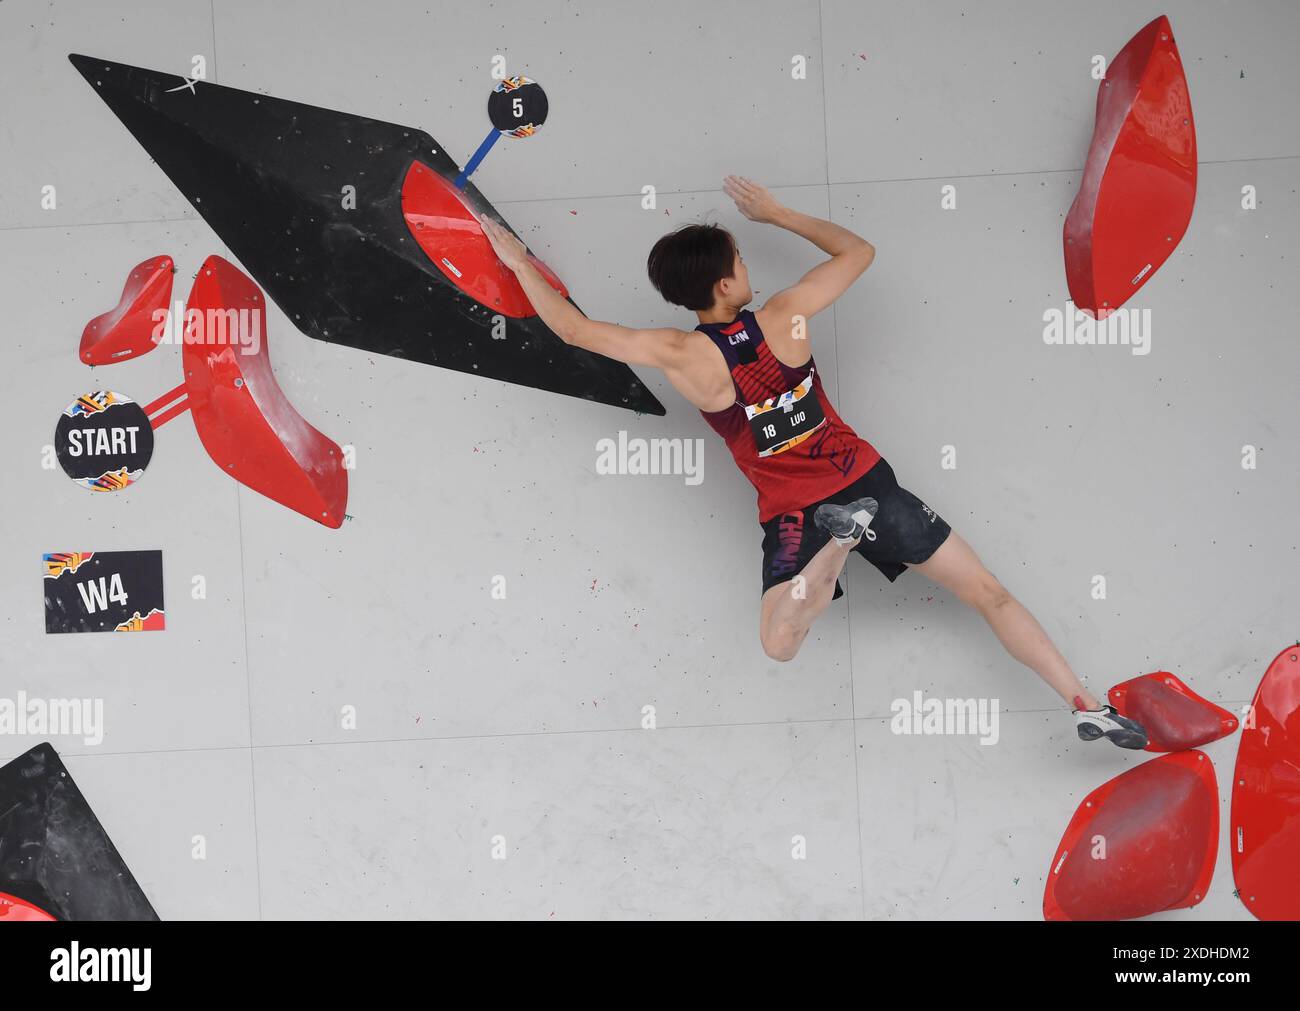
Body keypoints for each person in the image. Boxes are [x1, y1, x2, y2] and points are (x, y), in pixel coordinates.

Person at [480, 177, 1147, 749]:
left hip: (796, 513)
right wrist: (777, 214)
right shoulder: (786, 315)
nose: (749, 266)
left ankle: (836, 547)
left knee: (780, 641)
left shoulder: (682, 355)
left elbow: (571, 328)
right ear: (724, 280)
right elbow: (859, 251)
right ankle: (1085, 704)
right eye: (741, 259)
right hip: (867, 480)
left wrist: (515, 260)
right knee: (989, 593)